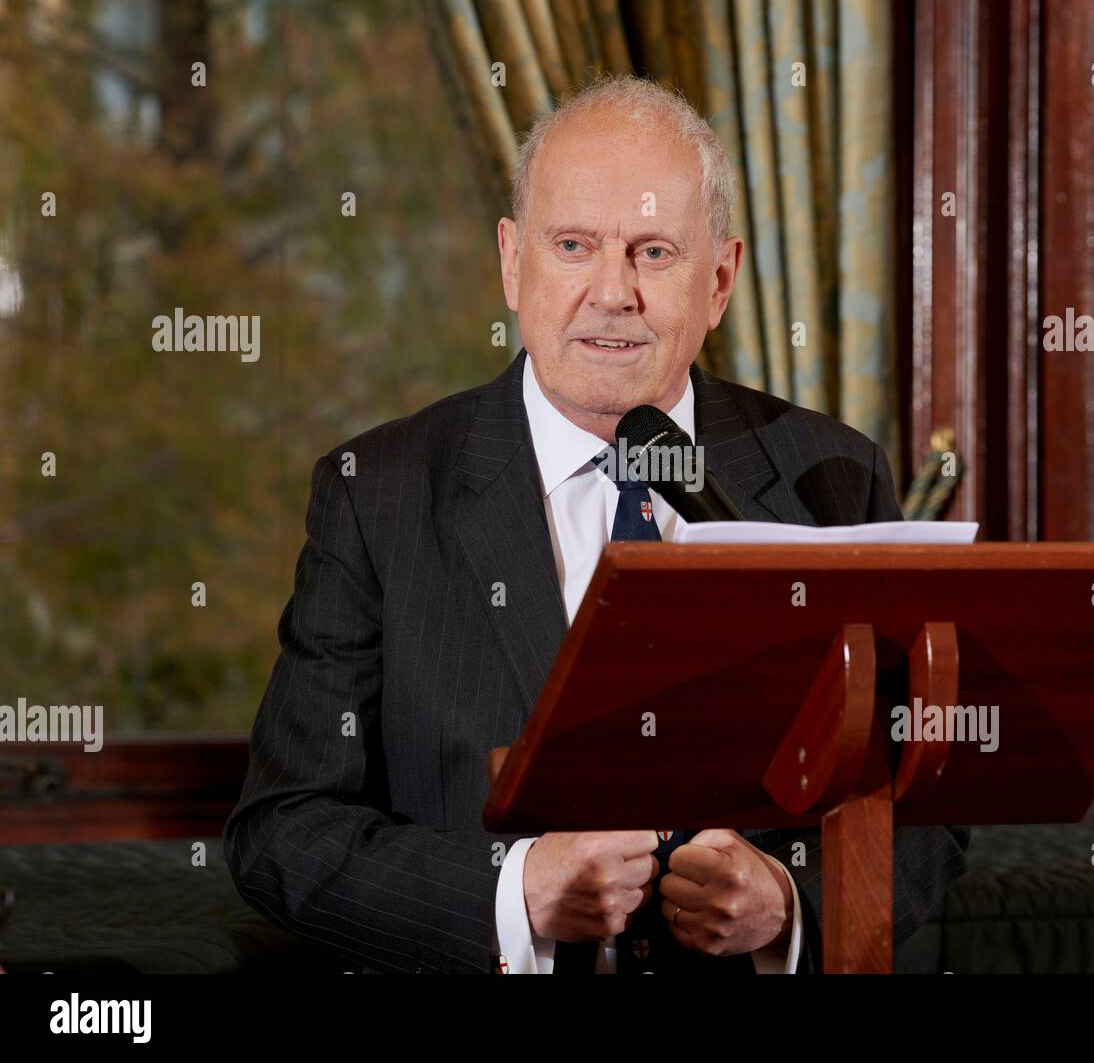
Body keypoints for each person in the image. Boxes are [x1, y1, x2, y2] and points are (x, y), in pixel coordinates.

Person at [223, 74, 969, 974]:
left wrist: (789, 899)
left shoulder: (833, 474)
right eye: (573, 245)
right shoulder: (375, 493)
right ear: (512, 262)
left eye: (654, 253)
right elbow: (282, 830)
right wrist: (513, 891)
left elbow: (926, 802)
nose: (612, 292)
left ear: (721, 278)